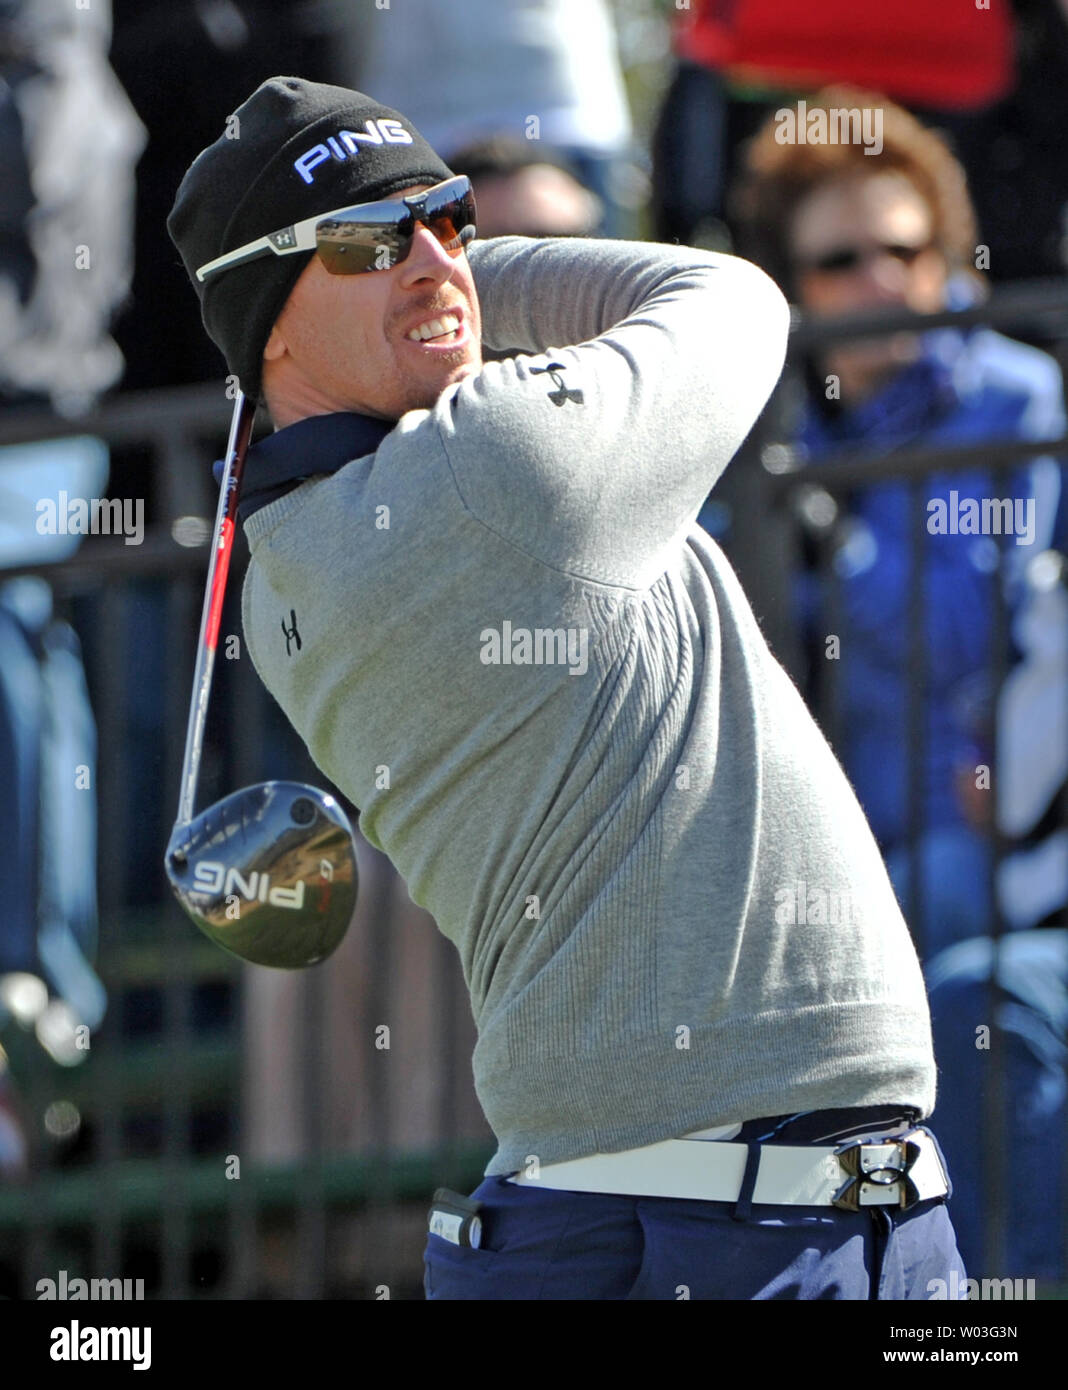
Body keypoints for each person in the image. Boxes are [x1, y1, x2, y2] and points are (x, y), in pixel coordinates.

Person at [168, 76, 962, 1300]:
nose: (436, 260)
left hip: (598, 1209)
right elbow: (731, 297)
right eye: (376, 239)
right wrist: (486, 274)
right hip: (766, 1217)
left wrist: (410, 266)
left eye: (451, 220)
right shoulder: (496, 466)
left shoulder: (281, 572)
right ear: (267, 314)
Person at [731, 87, 1065, 961]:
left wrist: (834, 541)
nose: (882, 279)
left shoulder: (1011, 394)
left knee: (928, 911)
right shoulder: (771, 412)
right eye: (841, 260)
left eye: (905, 249)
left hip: (961, 827)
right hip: (812, 826)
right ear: (794, 283)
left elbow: (970, 629)